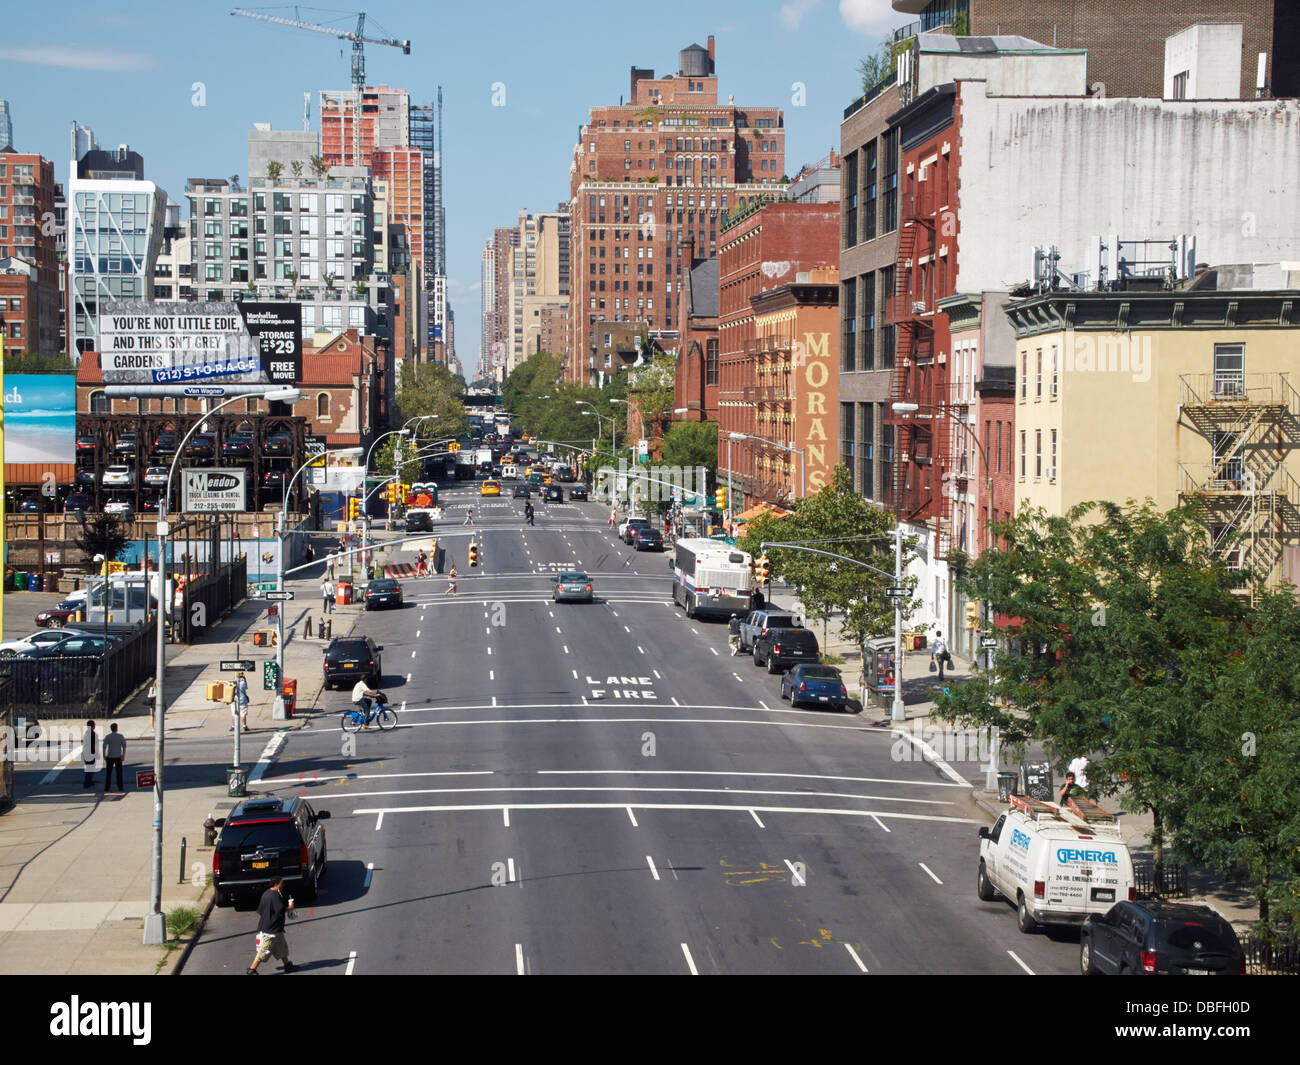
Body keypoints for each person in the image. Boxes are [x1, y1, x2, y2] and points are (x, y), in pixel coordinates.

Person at [247, 876, 295, 974]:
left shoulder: (266, 894)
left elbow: (260, 910)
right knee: (265, 950)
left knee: (281, 946)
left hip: (272, 927)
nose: (283, 885)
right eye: (282, 883)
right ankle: (252, 969)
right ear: (276, 884)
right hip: (271, 930)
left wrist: (280, 927)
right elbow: (280, 910)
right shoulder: (275, 895)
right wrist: (290, 907)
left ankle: (287, 965)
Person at [103, 722, 126, 792]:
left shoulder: (108, 736)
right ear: (116, 728)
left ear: (111, 729)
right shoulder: (120, 736)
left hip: (110, 757)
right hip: (118, 757)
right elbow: (124, 746)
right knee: (119, 773)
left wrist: (104, 755)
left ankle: (107, 787)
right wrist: (123, 755)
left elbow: (104, 747)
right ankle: (120, 787)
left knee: (108, 773)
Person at [82, 720, 98, 789]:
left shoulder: (86, 733)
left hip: (85, 753)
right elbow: (94, 745)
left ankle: (89, 782)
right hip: (91, 754)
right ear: (93, 726)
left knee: (89, 768)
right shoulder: (93, 734)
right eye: (94, 724)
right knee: (90, 769)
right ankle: (87, 783)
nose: (95, 726)